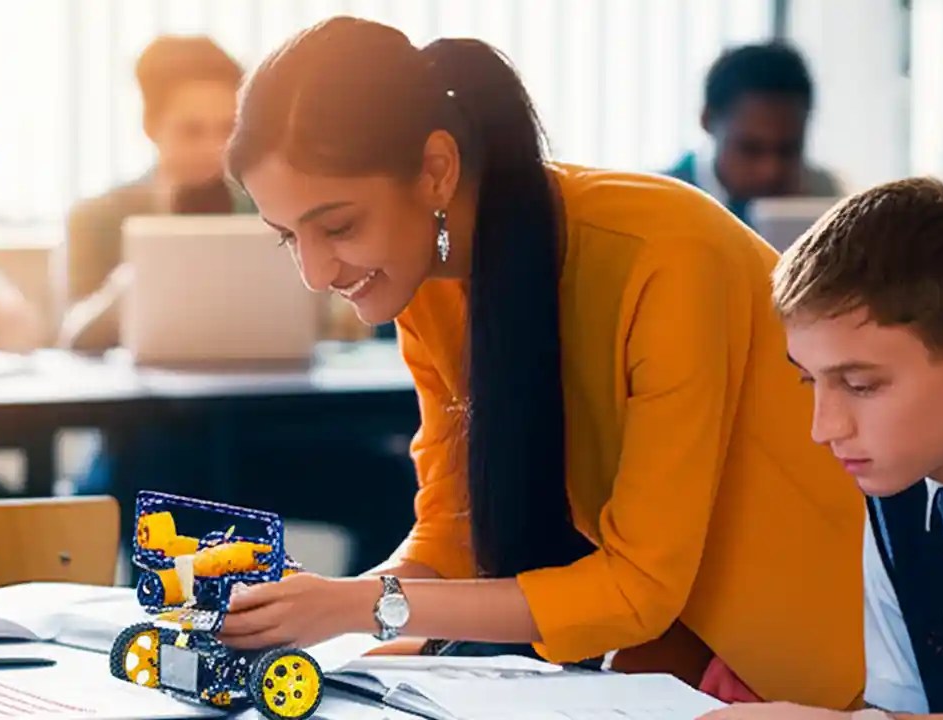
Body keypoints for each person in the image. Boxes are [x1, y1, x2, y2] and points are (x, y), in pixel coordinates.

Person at [212, 16, 864, 708]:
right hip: (683, 654)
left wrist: (364, 605)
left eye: (339, 227)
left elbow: (634, 589)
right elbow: (452, 528)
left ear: (436, 170)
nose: (315, 273)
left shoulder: (663, 258)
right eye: (287, 237)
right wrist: (323, 614)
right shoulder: (424, 280)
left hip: (823, 663)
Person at [701, 180, 943, 720]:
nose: (824, 428)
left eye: (861, 385)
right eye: (809, 382)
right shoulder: (900, 480)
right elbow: (903, 711)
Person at [60, 35, 254, 351]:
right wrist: (134, 281)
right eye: (192, 130)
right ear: (150, 125)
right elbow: (73, 337)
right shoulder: (96, 217)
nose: (214, 149)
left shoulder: (266, 214)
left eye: (227, 129)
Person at [664, 43, 841, 226]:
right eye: (750, 149)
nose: (770, 172)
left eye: (788, 150)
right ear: (707, 120)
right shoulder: (661, 201)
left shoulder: (824, 201)